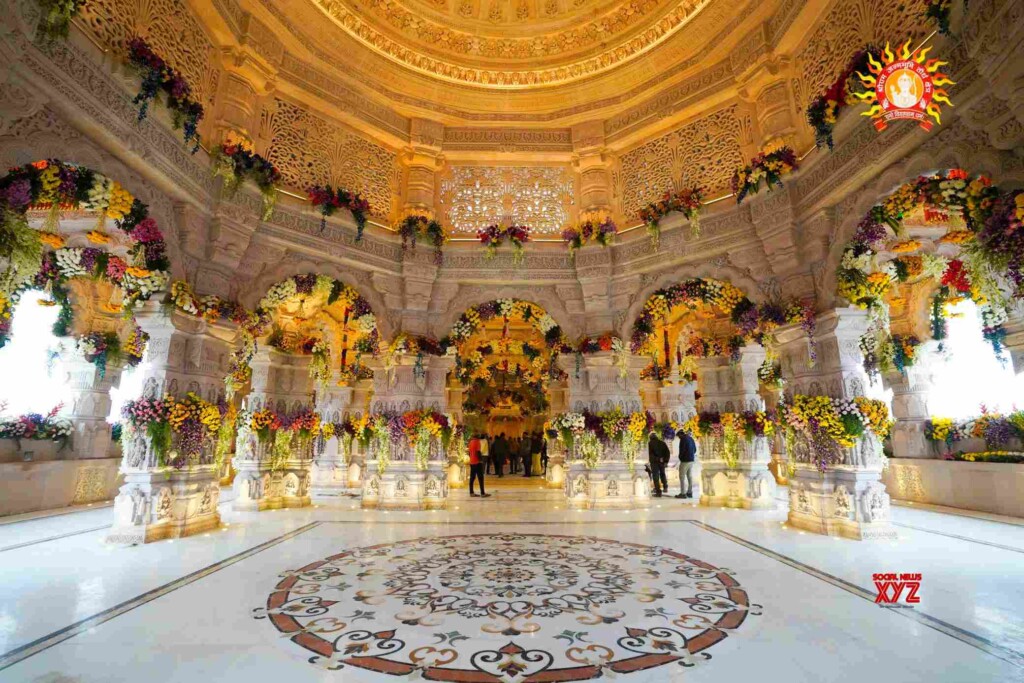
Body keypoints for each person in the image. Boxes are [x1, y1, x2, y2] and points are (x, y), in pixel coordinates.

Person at [675, 429, 697, 499]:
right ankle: (690, 492)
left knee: (682, 477)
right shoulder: (691, 438)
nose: (679, 438)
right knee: (689, 476)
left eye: (678, 436)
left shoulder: (683, 439)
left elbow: (682, 450)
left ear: (680, 434)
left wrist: (680, 457)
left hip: (685, 460)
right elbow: (695, 449)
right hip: (691, 459)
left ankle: (683, 493)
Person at [468, 433, 491, 498]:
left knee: (472, 478)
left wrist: (471, 458)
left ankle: (471, 492)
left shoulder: (471, 442)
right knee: (481, 478)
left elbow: (469, 452)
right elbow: (478, 452)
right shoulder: (477, 442)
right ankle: (482, 493)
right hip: (477, 462)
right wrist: (480, 460)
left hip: (472, 462)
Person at [648, 432, 669, 497]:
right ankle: (665, 487)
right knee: (663, 474)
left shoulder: (650, 443)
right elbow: (667, 453)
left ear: (650, 438)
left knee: (655, 476)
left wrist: (657, 459)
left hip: (654, 462)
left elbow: (650, 455)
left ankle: (658, 491)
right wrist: (666, 461)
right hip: (662, 462)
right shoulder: (662, 443)